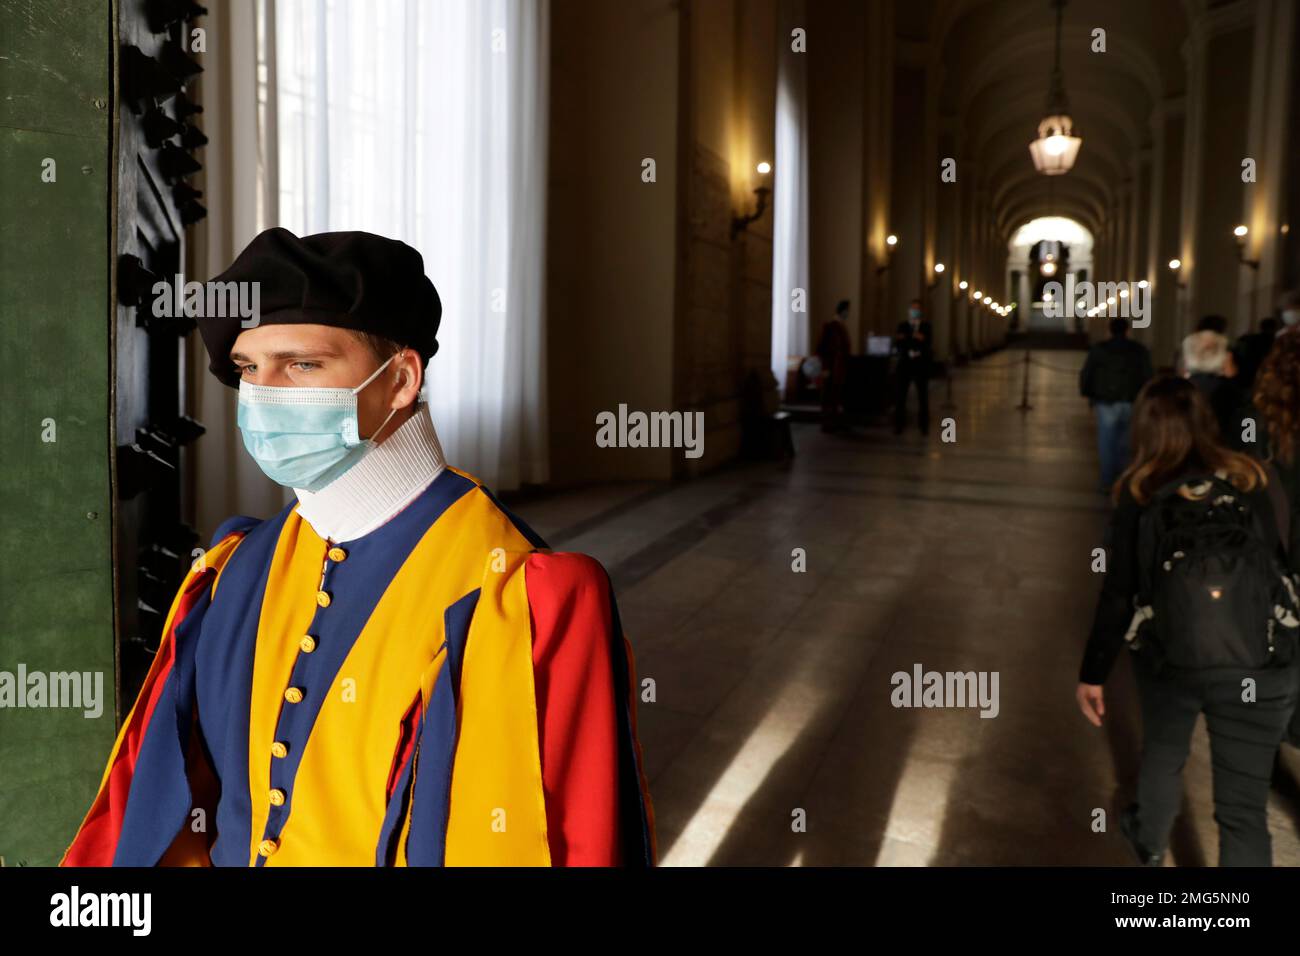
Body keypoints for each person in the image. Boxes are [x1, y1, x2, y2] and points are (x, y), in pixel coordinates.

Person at [61, 228, 656, 867]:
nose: (262, 394)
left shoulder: (521, 594)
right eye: (249, 369)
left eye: (302, 364)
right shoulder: (234, 569)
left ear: (400, 379)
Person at [1075, 375, 1299, 867]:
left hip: (1173, 658)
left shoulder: (1139, 492)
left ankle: (1150, 840)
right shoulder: (1250, 478)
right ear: (1206, 420)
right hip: (1257, 662)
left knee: (1163, 750)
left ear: (1144, 429)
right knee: (1243, 810)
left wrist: (1093, 673)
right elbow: (1277, 565)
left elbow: (1118, 595)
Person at [1079, 317, 1153, 491]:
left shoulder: (1099, 349)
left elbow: (1088, 372)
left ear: (1110, 330)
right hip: (1130, 400)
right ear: (1128, 331)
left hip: (1106, 401)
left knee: (1106, 442)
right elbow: (1147, 374)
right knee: (1126, 442)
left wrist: (1088, 393)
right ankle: (1123, 480)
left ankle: (1107, 481)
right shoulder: (1138, 350)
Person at [1182, 329, 1256, 454]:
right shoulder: (1240, 397)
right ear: (1226, 358)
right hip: (1229, 459)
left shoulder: (1173, 393)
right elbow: (1249, 439)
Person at [893, 298, 933, 435]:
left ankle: (924, 426)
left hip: (920, 366)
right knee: (900, 396)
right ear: (909, 310)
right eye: (912, 309)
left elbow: (927, 343)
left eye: (917, 309)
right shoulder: (903, 325)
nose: (914, 311)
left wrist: (911, 339)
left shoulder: (926, 326)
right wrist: (914, 338)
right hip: (905, 364)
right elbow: (899, 342)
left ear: (921, 311)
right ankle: (899, 425)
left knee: (923, 397)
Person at [817, 299, 853, 432]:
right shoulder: (830, 326)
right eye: (847, 310)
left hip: (839, 367)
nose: (848, 313)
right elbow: (822, 348)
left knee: (836, 396)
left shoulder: (841, 326)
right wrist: (825, 368)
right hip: (831, 367)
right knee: (828, 395)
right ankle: (827, 423)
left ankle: (835, 422)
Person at [1234, 317, 1278, 391]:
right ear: (1274, 328)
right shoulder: (1276, 341)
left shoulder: (1249, 338)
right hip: (1265, 372)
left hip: (1247, 372)